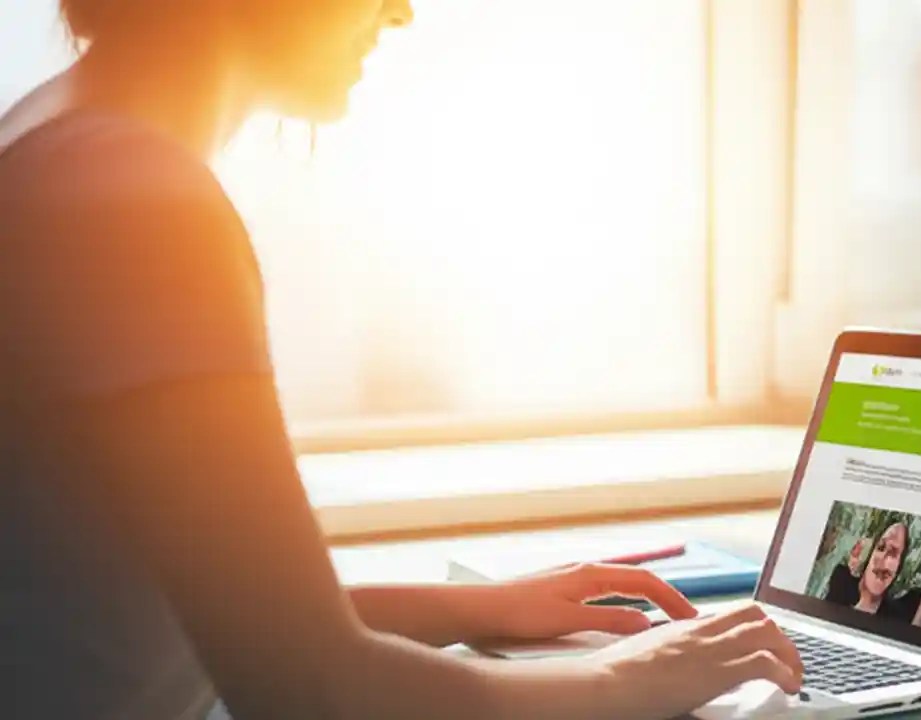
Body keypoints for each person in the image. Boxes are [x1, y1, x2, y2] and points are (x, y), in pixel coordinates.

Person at [0, 2, 803, 719]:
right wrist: (623, 683)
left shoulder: (52, 135)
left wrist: (483, 609)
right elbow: (308, 687)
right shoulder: (134, 198)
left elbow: (235, 608)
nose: (400, 13)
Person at [823, 519, 921, 627]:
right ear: (869, 555)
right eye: (881, 547)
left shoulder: (899, 615)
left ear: (898, 569)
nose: (884, 557)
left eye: (893, 552)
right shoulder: (841, 581)